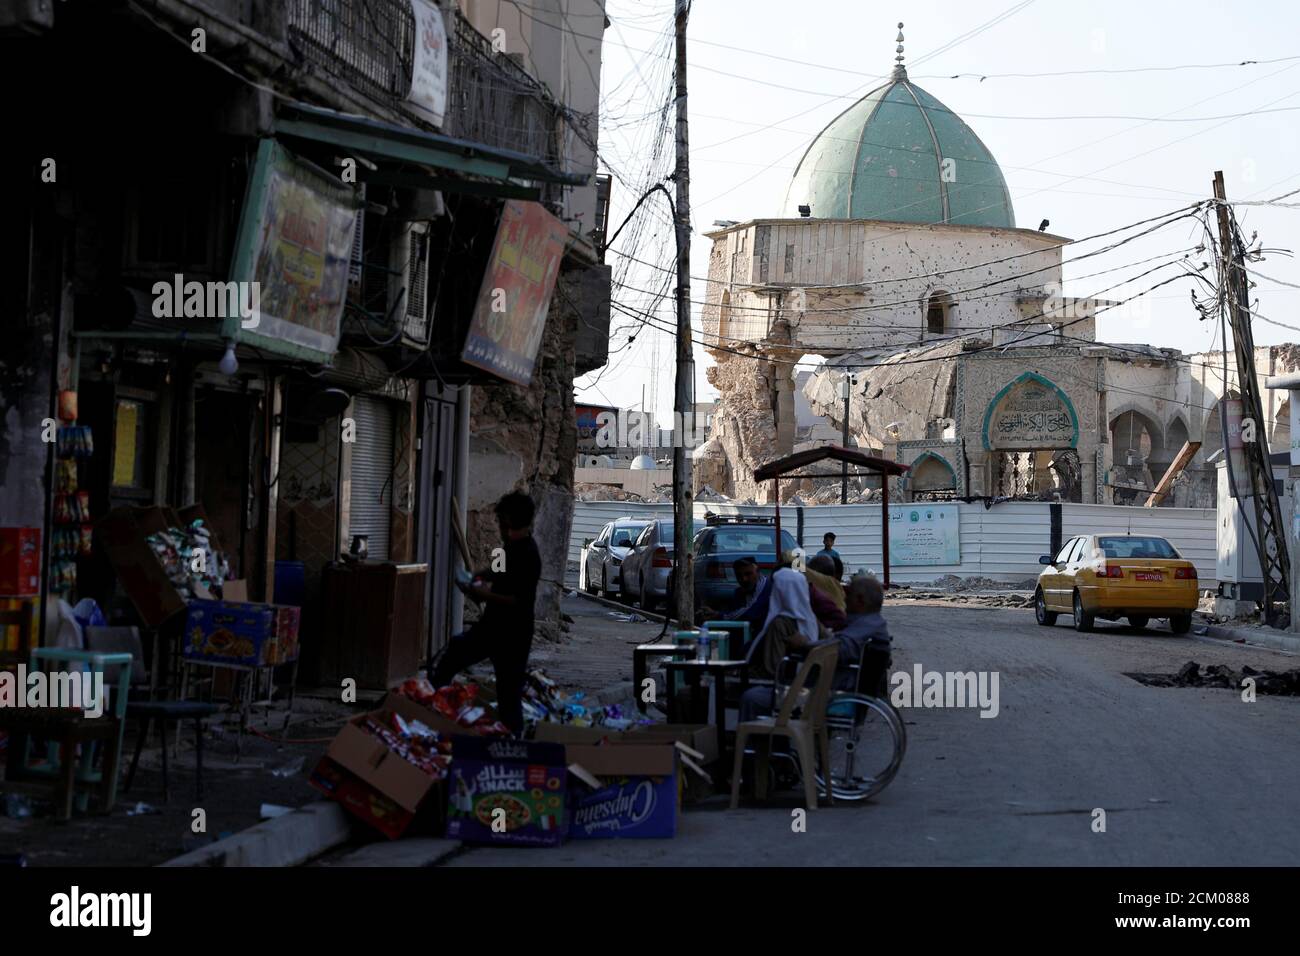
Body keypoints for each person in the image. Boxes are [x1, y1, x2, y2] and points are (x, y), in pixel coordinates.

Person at [430, 491, 542, 735]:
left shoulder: (528, 554)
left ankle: (512, 742)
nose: (499, 526)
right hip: (493, 627)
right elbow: (498, 572)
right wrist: (479, 576)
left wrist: (483, 594)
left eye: (501, 520)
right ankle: (433, 708)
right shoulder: (512, 548)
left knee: (508, 694)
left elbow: (518, 600)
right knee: (453, 655)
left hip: (512, 633)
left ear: (510, 520)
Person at [828, 574, 892, 696]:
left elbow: (836, 649)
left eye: (849, 595)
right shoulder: (871, 622)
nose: (845, 599)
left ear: (860, 600)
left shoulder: (866, 625)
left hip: (842, 682)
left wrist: (807, 644)